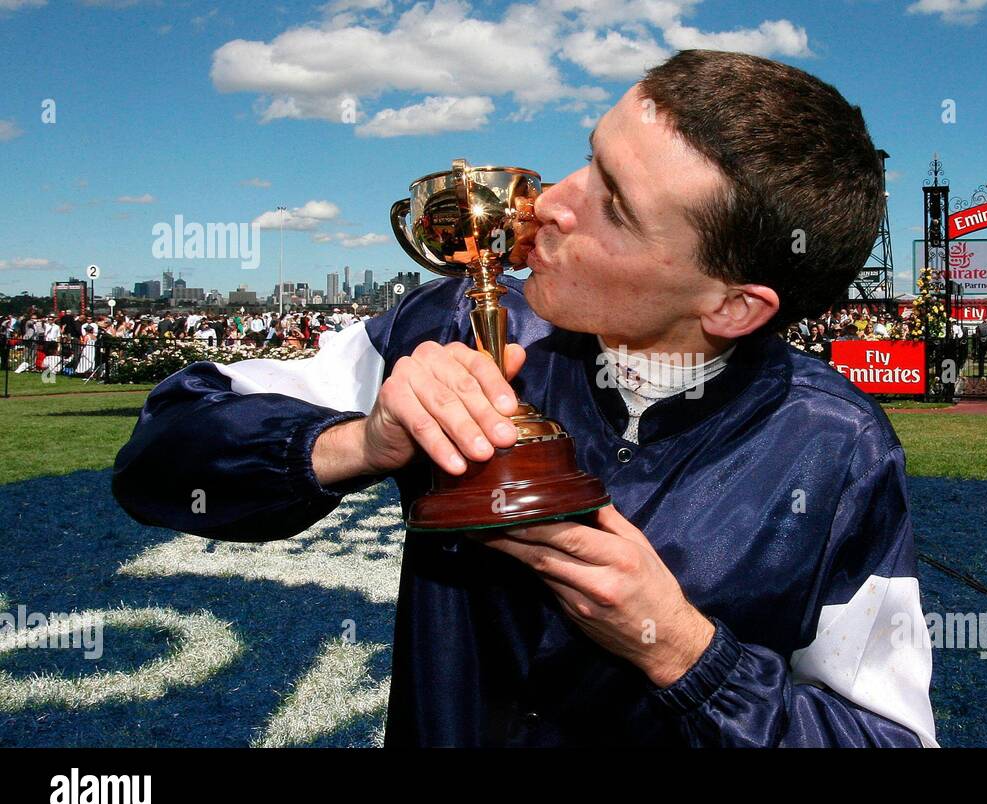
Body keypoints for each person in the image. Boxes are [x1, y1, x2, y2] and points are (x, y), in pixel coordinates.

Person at [112, 50, 937, 748]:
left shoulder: (836, 447)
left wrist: (688, 654)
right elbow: (157, 458)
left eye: (613, 206)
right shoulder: (449, 328)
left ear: (730, 306)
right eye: (589, 156)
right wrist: (359, 443)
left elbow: (889, 737)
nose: (546, 205)